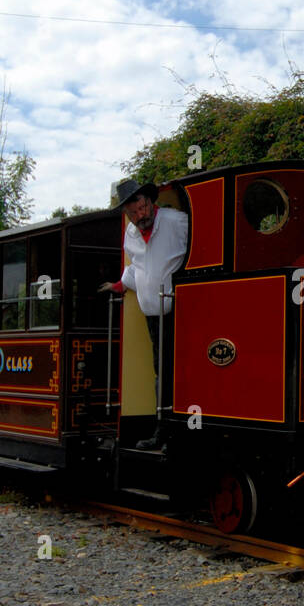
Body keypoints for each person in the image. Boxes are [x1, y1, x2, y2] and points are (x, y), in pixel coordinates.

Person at [99, 177, 188, 450]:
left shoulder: (177, 222)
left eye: (142, 208)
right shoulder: (130, 233)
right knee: (162, 373)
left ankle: (175, 433)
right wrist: (119, 285)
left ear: (151, 202)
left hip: (181, 312)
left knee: (178, 373)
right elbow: (138, 267)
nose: (140, 216)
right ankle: (164, 432)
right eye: (133, 212)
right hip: (153, 315)